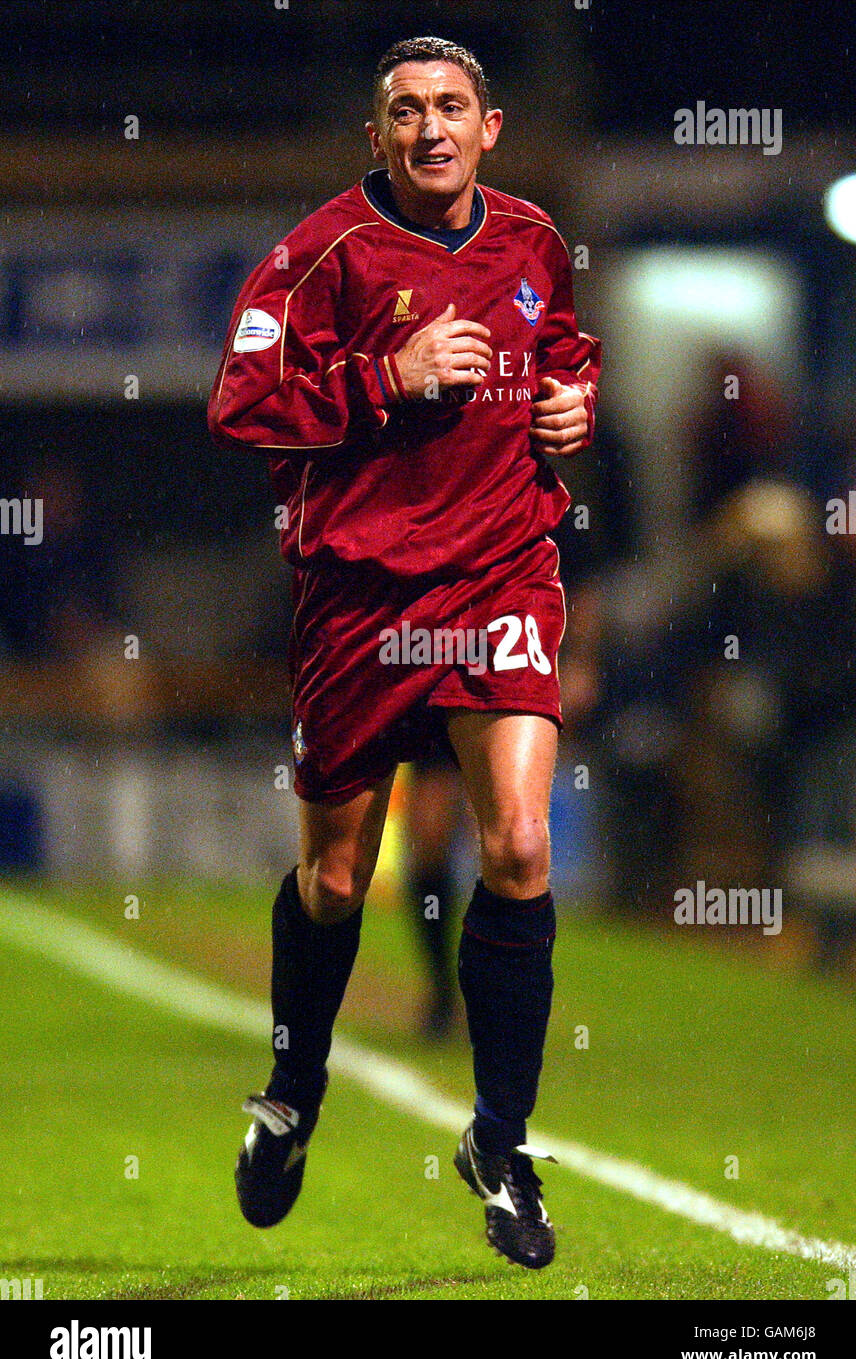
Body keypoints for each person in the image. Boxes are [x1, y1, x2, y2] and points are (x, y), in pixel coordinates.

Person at [208, 35, 601, 1270]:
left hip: (499, 573)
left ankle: (499, 1138)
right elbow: (242, 397)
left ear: (489, 126)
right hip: (362, 597)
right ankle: (293, 1088)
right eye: (402, 111)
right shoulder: (319, 254)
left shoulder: (534, 241)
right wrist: (386, 372)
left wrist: (568, 408)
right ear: (372, 138)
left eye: (450, 107)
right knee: (335, 878)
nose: (428, 127)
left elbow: (567, 361)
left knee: (521, 844)